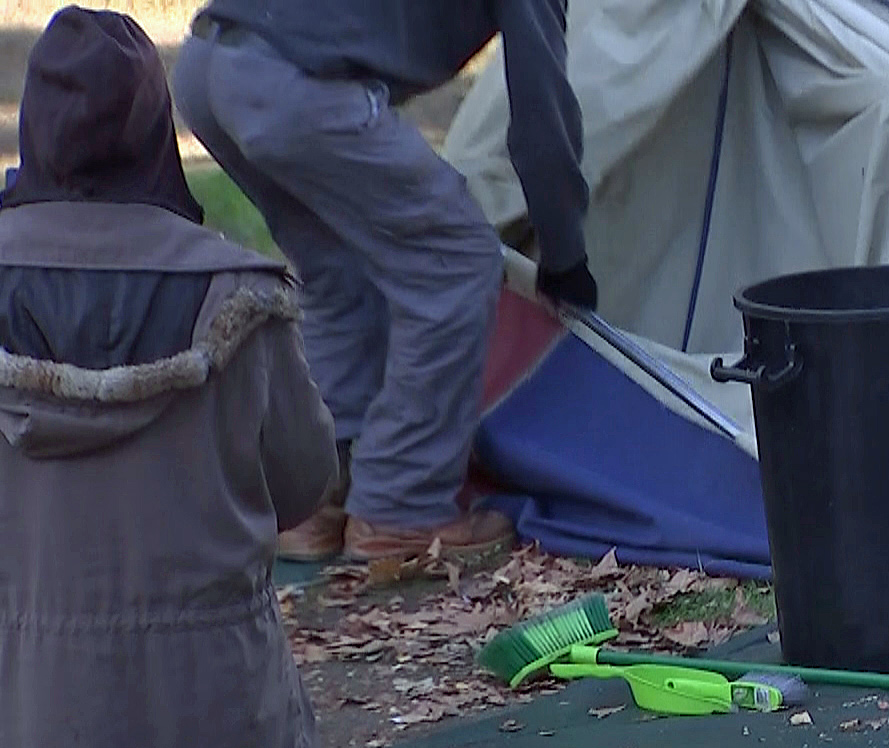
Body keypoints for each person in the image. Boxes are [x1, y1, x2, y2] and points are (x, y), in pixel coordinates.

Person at [0, 8, 338, 748]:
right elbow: (303, 485)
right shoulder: (239, 296)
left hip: (21, 737)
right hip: (199, 729)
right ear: (158, 129)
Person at [172, 0, 597, 563]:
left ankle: (314, 496)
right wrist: (565, 255)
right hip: (292, 82)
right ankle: (403, 507)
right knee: (457, 259)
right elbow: (542, 111)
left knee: (340, 270)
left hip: (208, 63)